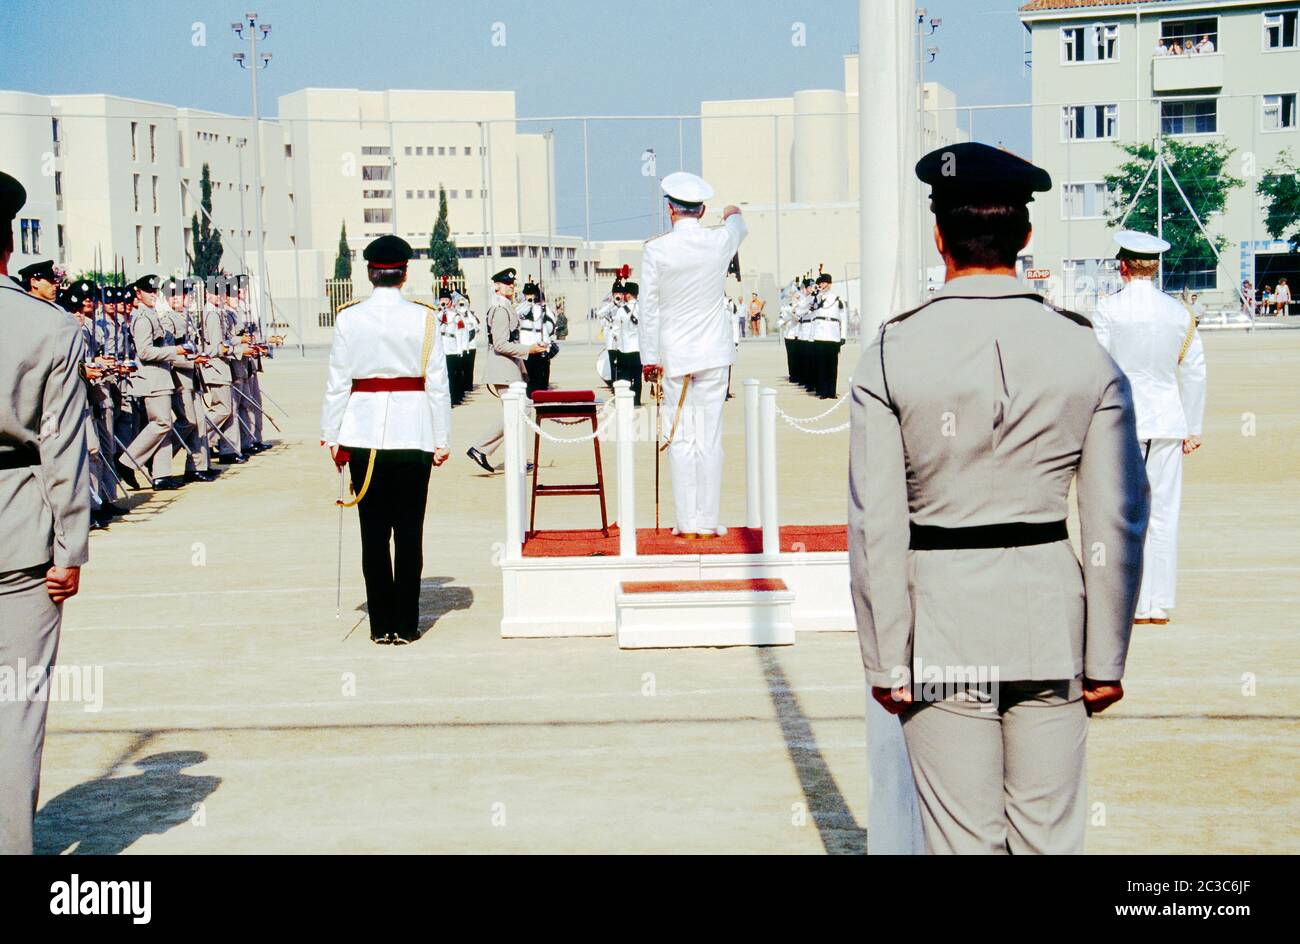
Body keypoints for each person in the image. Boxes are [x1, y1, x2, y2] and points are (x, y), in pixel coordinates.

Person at [850, 142, 1150, 854]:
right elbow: (1116, 519)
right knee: (1049, 841)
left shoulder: (893, 353)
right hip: (1051, 625)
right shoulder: (1084, 351)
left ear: (939, 235)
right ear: (1025, 236)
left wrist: (889, 657)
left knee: (964, 844)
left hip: (943, 631)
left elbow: (877, 530)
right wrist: (1106, 656)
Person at [0, 170, 90, 855]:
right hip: (18, 534)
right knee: (14, 712)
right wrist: (71, 550)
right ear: (7, 247)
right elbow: (62, 448)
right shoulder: (47, 327)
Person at [320, 235, 451, 645]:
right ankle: (408, 625)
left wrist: (332, 436)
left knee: (373, 533)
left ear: (370, 273)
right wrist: (441, 436)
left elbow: (338, 383)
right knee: (410, 532)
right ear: (404, 273)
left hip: (363, 435)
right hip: (413, 435)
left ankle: (381, 625)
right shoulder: (425, 318)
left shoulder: (349, 318)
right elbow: (438, 384)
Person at [1093, 231, 1207, 626]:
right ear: (1154, 269)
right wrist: (1193, 426)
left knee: (1123, 510)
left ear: (1123, 266)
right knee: (1164, 512)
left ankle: (1129, 598)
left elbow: (1099, 368)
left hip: (1122, 420)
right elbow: (1194, 371)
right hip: (1167, 420)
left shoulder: (1108, 310)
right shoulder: (1178, 313)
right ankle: (1157, 603)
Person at [639, 171, 747, 539]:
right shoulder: (719, 241)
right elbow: (738, 228)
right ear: (702, 210)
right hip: (714, 352)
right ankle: (707, 520)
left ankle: (686, 522)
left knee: (681, 436)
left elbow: (649, 307)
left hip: (673, 356)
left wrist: (649, 358)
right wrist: (732, 212)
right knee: (710, 438)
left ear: (670, 209)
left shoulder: (657, 249)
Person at [465, 268, 546, 473]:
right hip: (503, 368)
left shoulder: (506, 307)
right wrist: (529, 349)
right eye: (506, 284)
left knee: (521, 411)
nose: (510, 286)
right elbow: (501, 344)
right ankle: (480, 448)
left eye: (512, 284)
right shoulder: (500, 310)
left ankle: (516, 459)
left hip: (509, 367)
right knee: (518, 412)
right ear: (497, 287)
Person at [810, 273, 848, 399]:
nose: (822, 285)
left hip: (833, 334)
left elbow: (843, 318)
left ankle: (831, 391)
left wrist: (843, 335)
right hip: (820, 334)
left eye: (825, 283)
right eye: (821, 283)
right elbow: (809, 308)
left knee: (832, 365)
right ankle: (822, 390)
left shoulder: (837, 298)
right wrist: (815, 294)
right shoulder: (816, 297)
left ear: (830, 284)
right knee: (820, 364)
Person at [616, 280, 643, 406]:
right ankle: (637, 401)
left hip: (625, 349)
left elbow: (616, 330)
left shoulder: (621, 310)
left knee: (626, 377)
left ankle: (626, 402)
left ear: (628, 295)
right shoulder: (642, 309)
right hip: (638, 349)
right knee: (637, 376)